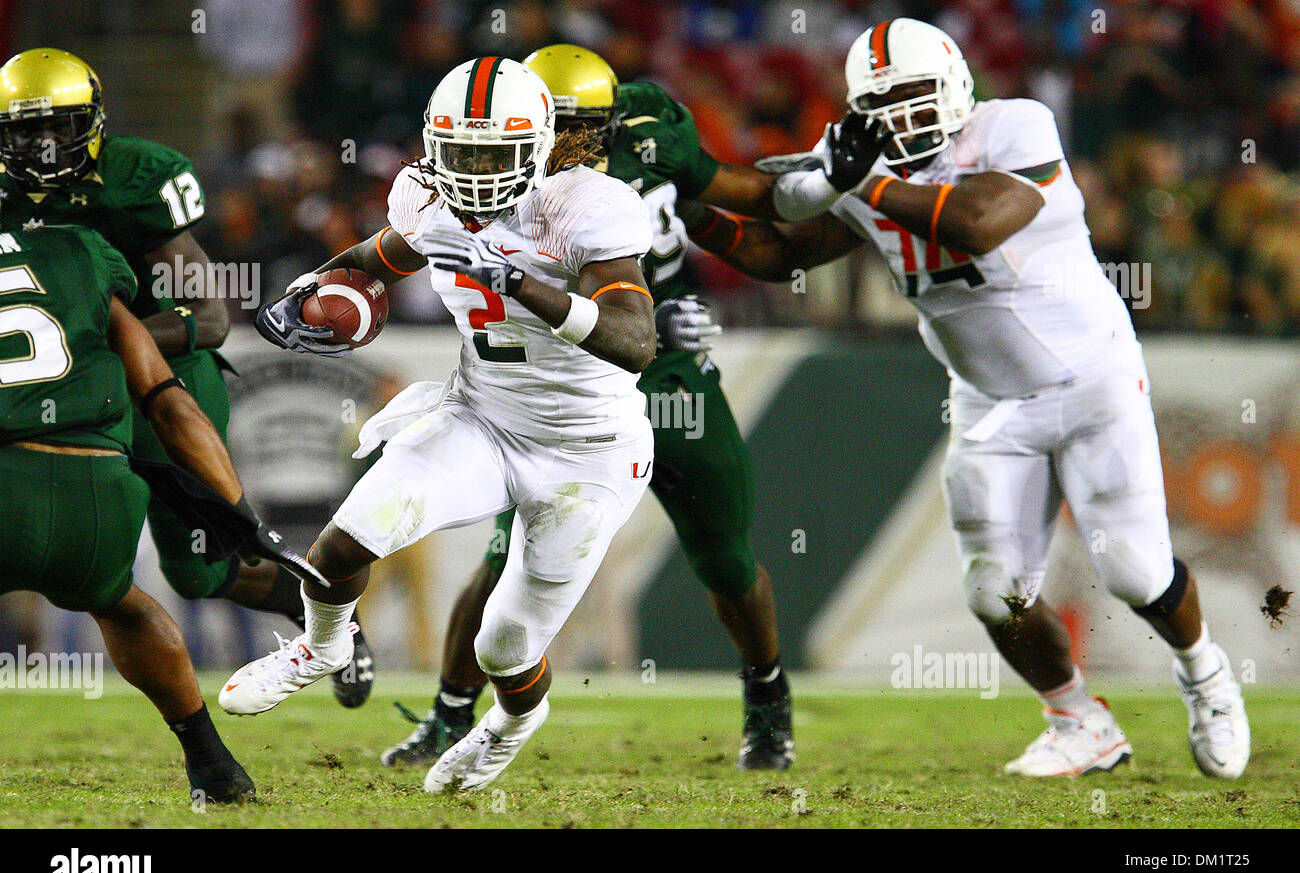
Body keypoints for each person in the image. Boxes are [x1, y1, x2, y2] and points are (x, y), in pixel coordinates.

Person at [678, 18, 1249, 778]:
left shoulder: (1014, 126)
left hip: (1092, 381)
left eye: (917, 96)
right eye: (886, 104)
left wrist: (861, 184)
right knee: (994, 592)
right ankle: (1079, 720)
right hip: (988, 400)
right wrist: (688, 203)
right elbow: (779, 249)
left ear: (953, 85)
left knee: (1134, 572)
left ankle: (1205, 675)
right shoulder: (861, 168)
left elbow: (979, 223)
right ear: (859, 112)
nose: (905, 117)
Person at [221, 57, 657, 793]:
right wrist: (311, 289)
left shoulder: (588, 204)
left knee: (505, 646)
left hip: (589, 448)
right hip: (481, 416)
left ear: (542, 144)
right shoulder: (426, 195)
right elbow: (380, 255)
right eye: (462, 154)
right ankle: (323, 646)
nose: (478, 173)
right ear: (433, 146)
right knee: (347, 536)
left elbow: (634, 340)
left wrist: (517, 281)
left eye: (496, 155)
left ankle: (511, 723)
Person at [380, 44, 795, 773]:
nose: (567, 139)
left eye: (582, 124)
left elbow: (717, 203)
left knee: (726, 557)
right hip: (559, 390)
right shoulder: (492, 172)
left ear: (609, 121)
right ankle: (449, 716)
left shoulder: (649, 137)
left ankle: (768, 703)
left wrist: (696, 298)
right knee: (503, 556)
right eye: (556, 122)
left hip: (664, 376)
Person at [0, 47, 375, 707]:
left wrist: (103, 340)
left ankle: (324, 615)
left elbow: (208, 317)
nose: (47, 144)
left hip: (161, 379)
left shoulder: (137, 177)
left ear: (94, 119)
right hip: (49, 386)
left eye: (61, 124)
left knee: (203, 571)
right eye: (29, 129)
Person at [0, 220, 301, 803]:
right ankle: (211, 762)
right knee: (126, 608)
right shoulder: (81, 248)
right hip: (92, 488)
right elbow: (169, 404)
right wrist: (241, 517)